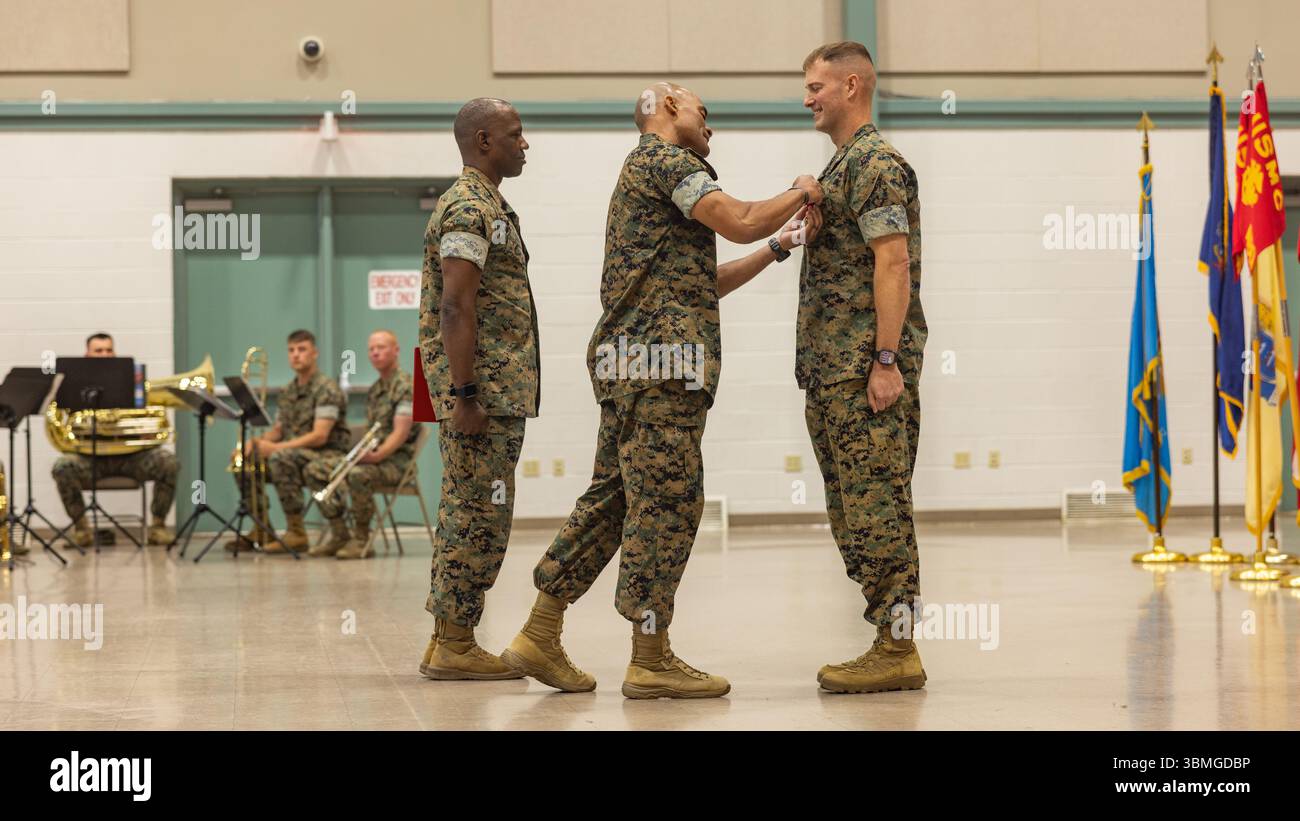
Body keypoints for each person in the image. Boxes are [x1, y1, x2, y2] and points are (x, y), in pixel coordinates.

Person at [501, 82, 823, 699]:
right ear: (671, 107)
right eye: (706, 112)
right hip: (659, 368)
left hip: (636, 363)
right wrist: (802, 190)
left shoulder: (645, 175)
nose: (712, 127)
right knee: (669, 503)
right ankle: (651, 656)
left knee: (615, 499)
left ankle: (539, 632)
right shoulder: (666, 161)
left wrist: (777, 248)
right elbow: (737, 219)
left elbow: (704, 281)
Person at [799, 42, 928, 693]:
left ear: (853, 85)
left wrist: (884, 359)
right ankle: (886, 632)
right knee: (854, 513)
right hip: (831, 374)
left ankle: (897, 647)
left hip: (862, 372)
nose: (807, 97)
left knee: (878, 506)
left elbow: (893, 262)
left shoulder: (875, 163)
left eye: (817, 85)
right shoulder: (843, 168)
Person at [416, 97, 536, 681]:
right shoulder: (468, 208)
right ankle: (457, 643)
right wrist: (464, 396)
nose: (525, 143)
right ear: (483, 141)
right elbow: (455, 306)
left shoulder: (489, 205)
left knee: (471, 509)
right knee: (476, 514)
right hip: (479, 396)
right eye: (515, 134)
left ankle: (448, 638)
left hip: (489, 393)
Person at [51, 333, 178, 546]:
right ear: (87, 355)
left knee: (169, 462)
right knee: (62, 467)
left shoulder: (132, 379)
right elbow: (59, 421)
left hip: (132, 457)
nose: (104, 354)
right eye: (98, 351)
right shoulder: (72, 383)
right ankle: (82, 529)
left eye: (109, 350)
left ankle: (158, 526)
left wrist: (147, 432)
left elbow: (151, 416)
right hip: (90, 458)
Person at [230, 329, 350, 554]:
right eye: (291, 350)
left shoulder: (327, 388)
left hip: (327, 454)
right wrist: (253, 444)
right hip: (295, 455)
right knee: (243, 462)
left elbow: (319, 436)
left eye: (302, 349)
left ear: (314, 353)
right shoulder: (288, 390)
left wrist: (274, 447)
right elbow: (279, 430)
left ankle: (297, 532)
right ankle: (261, 528)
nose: (296, 355)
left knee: (279, 457)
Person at [304, 329, 416, 560]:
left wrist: (377, 455)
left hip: (397, 462)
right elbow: (371, 432)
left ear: (396, 351)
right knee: (314, 469)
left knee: (357, 474)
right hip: (374, 459)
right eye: (371, 349)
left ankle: (362, 538)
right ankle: (340, 533)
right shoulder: (375, 389)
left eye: (381, 347)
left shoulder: (405, 385)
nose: (375, 353)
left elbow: (400, 433)